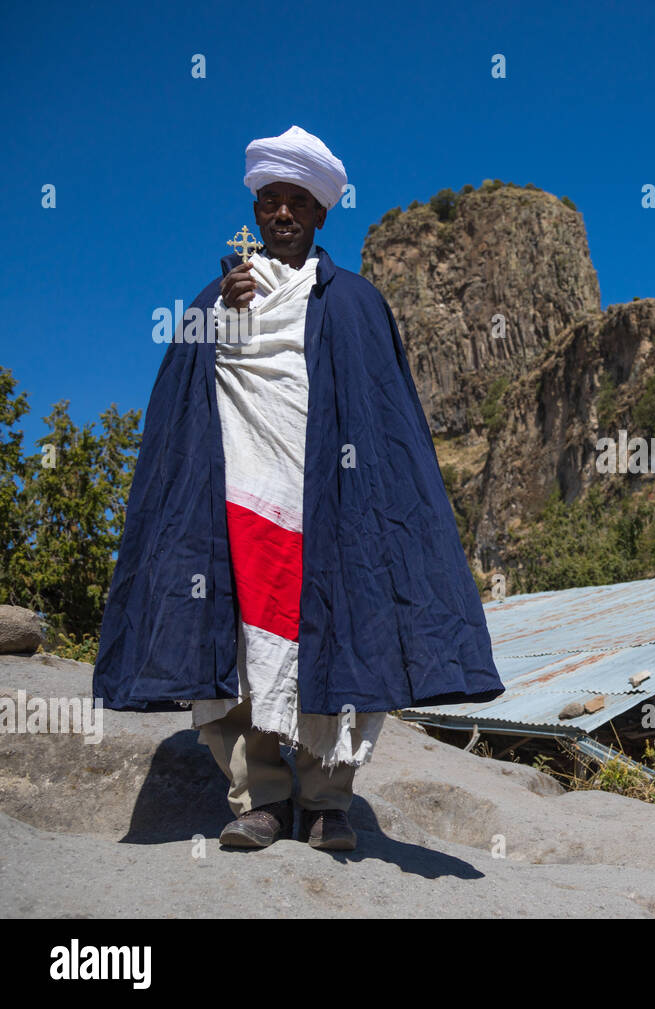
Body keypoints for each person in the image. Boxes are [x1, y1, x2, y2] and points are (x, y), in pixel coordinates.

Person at [93, 126, 504, 851]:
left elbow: (388, 420)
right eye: (270, 201)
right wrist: (225, 317)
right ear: (256, 211)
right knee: (238, 643)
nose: (282, 214)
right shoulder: (217, 298)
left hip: (331, 504)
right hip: (242, 501)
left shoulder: (356, 303)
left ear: (320, 213)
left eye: (297, 202)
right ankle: (260, 797)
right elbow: (179, 409)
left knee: (338, 634)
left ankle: (326, 802)